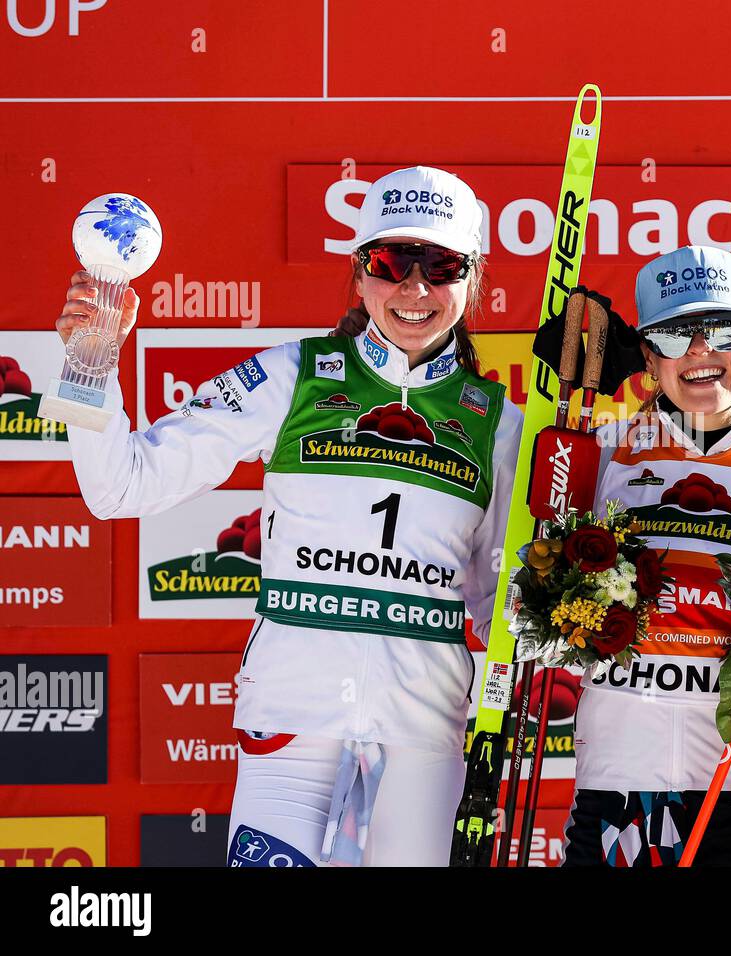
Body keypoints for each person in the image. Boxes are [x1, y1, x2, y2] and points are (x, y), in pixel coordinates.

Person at [57, 166, 523, 866]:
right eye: (392, 261)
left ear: (473, 277)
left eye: (442, 264)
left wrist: (557, 613)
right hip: (291, 722)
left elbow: (493, 606)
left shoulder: (499, 425)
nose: (415, 288)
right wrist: (90, 367)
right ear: (361, 273)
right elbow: (121, 488)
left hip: (424, 735)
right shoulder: (292, 376)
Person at [557, 246, 731, 866]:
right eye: (676, 335)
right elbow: (529, 602)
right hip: (617, 772)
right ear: (649, 357)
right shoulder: (601, 454)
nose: (701, 352)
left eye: (723, 332)